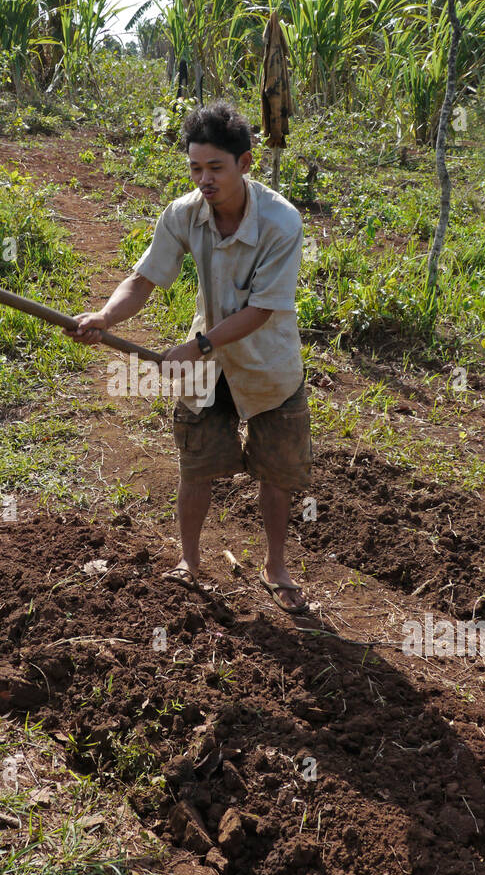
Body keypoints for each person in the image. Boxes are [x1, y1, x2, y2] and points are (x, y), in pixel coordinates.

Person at [67, 100, 313, 614]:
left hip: (268, 362)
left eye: (215, 168)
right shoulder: (183, 214)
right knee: (195, 463)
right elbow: (144, 278)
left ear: (245, 164)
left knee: (276, 469)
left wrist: (198, 344)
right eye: (195, 168)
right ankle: (191, 561)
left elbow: (265, 309)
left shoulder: (281, 222)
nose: (204, 179)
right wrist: (105, 319)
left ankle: (275, 566)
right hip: (209, 362)